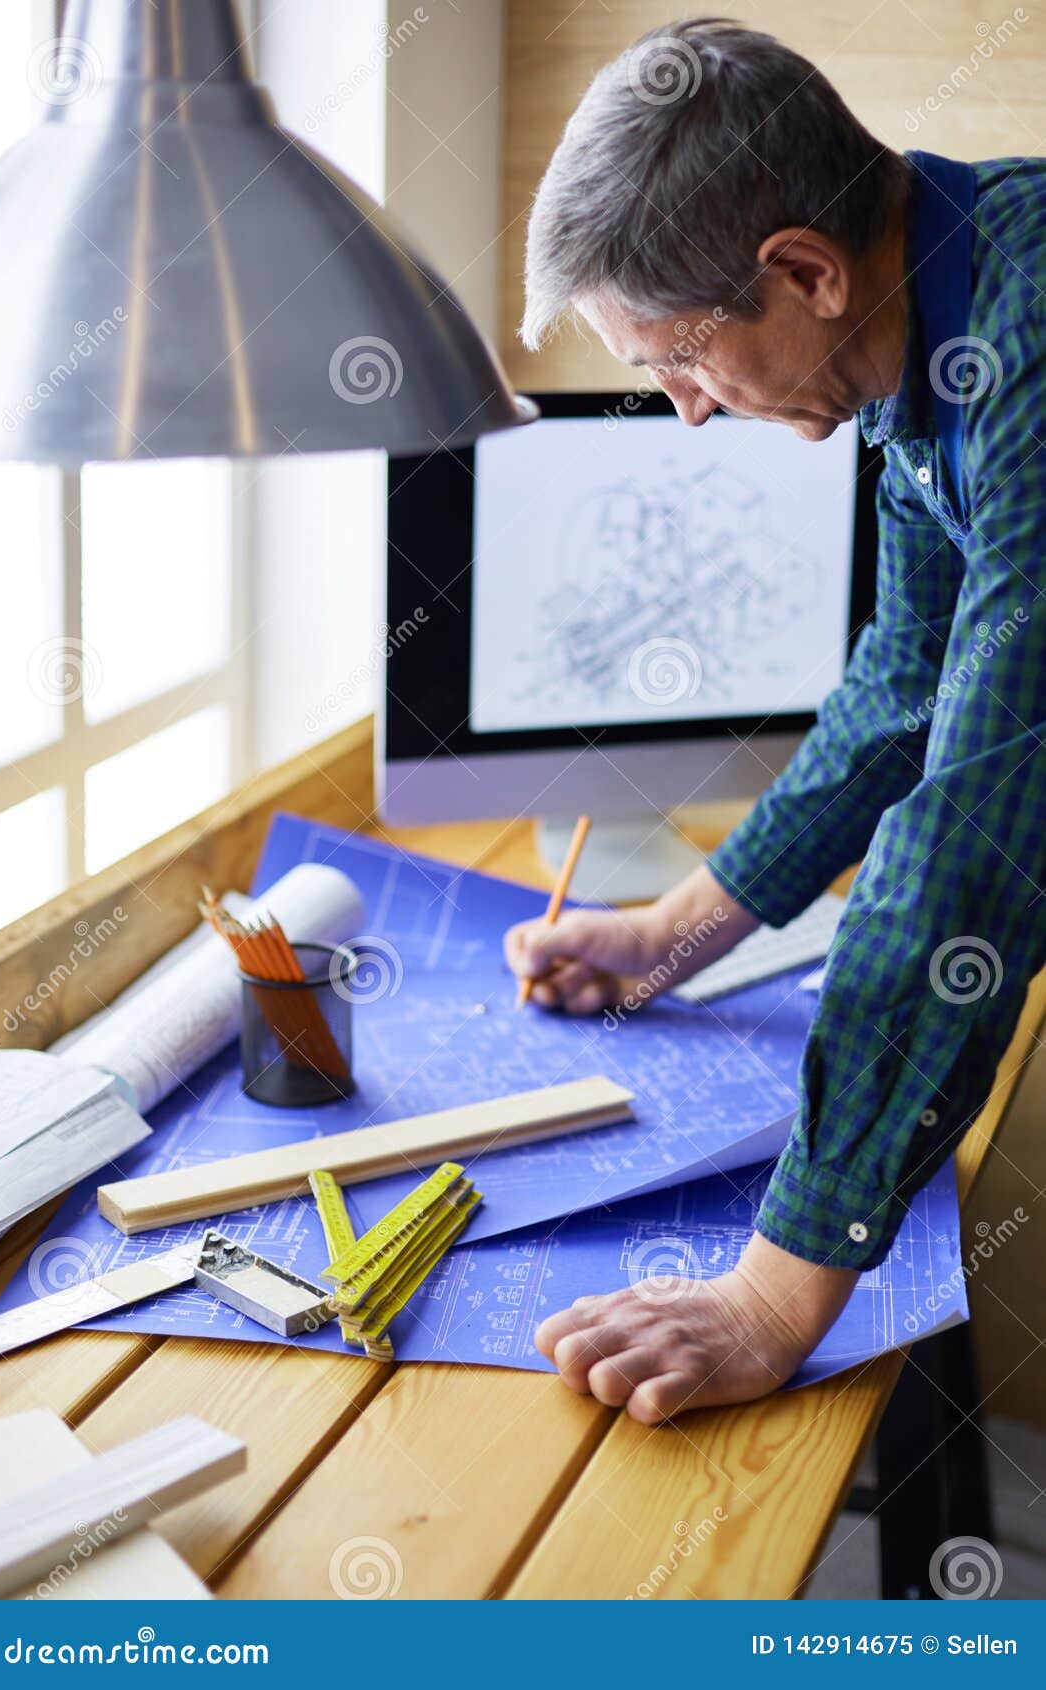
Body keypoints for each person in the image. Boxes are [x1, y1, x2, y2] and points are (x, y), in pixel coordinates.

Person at [504, 17, 1045, 1424]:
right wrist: (670, 931)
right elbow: (905, 684)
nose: (683, 413)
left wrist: (768, 1291)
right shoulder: (926, 317)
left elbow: (969, 832)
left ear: (801, 270)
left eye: (682, 363)